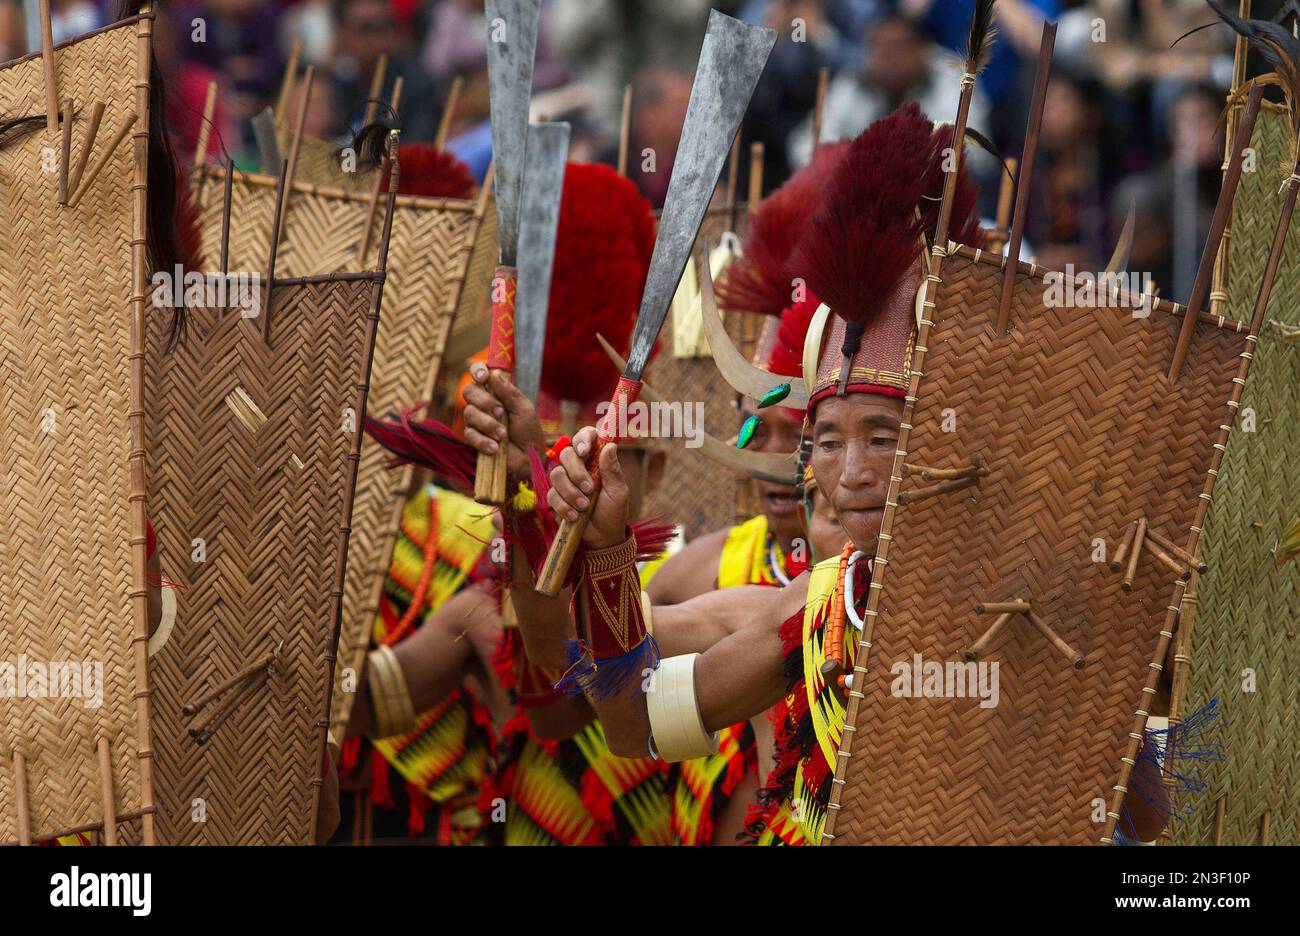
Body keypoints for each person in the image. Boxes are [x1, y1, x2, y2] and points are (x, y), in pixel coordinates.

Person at [523, 104, 1174, 845]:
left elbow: (1152, 822)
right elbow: (633, 722)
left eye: (884, 437)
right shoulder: (827, 605)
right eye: (827, 441)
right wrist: (602, 545)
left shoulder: (1057, 601)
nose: (852, 473)